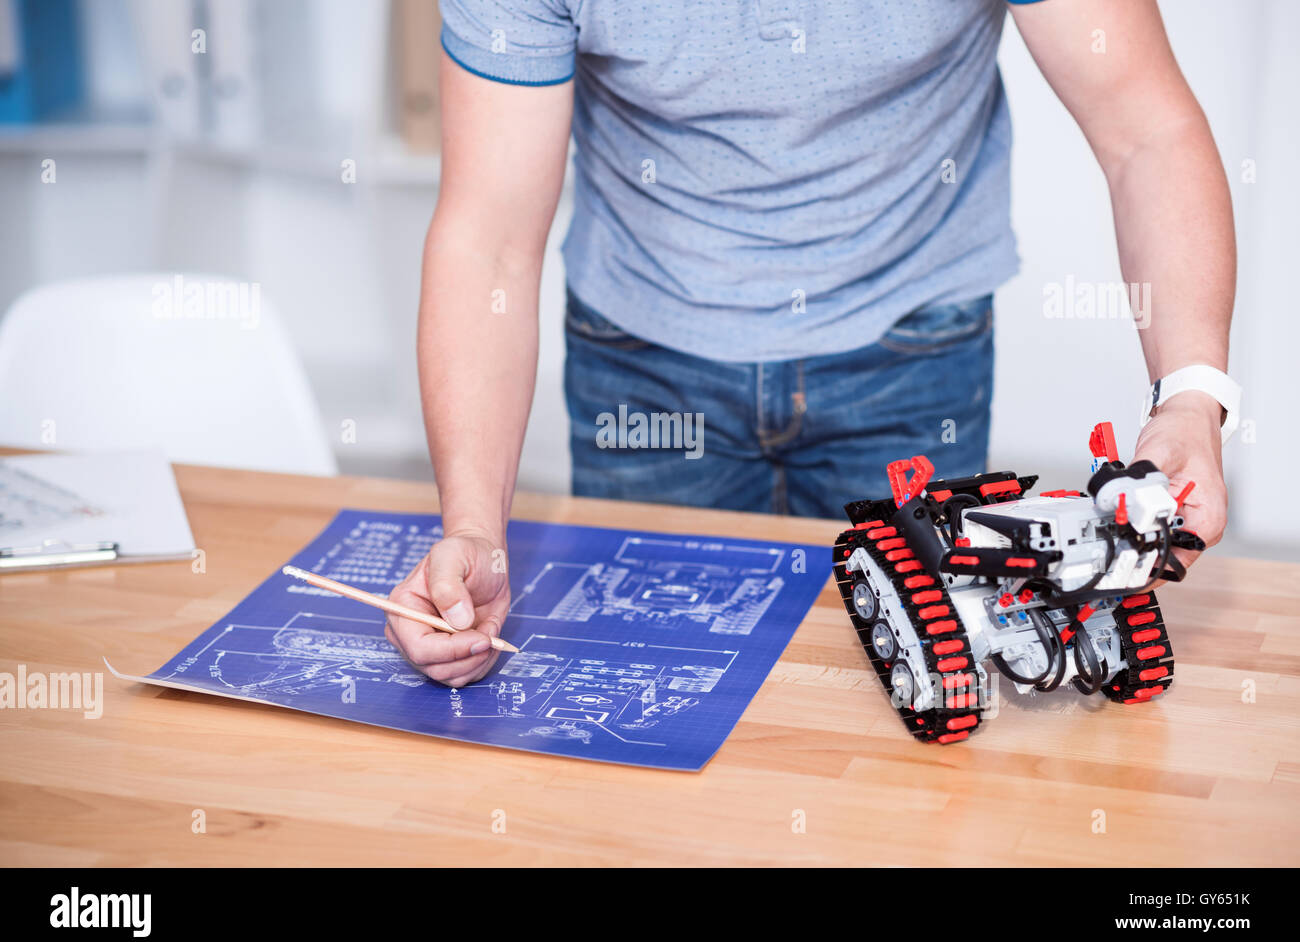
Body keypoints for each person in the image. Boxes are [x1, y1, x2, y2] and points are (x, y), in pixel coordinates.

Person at [384, 0, 1236, 687]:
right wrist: (472, 528)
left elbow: (1146, 134)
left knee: (912, 700)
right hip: (645, 361)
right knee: (654, 695)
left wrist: (1192, 395)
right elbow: (488, 235)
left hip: (913, 346)